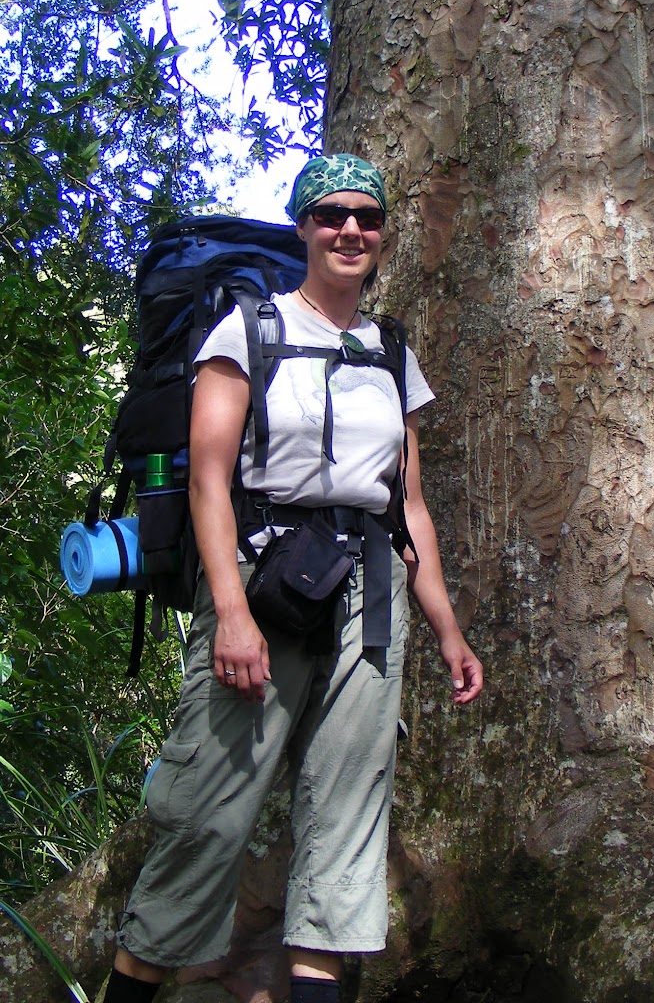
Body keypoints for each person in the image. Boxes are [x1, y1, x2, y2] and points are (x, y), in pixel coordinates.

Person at [104, 153, 484, 1003]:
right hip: (264, 579)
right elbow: (208, 483)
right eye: (331, 215)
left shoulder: (390, 351)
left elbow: (409, 507)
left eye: (367, 218)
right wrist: (230, 612)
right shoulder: (248, 330)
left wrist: (448, 631)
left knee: (348, 820)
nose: (351, 230)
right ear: (304, 227)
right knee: (208, 809)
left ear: (381, 236)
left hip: (369, 595)